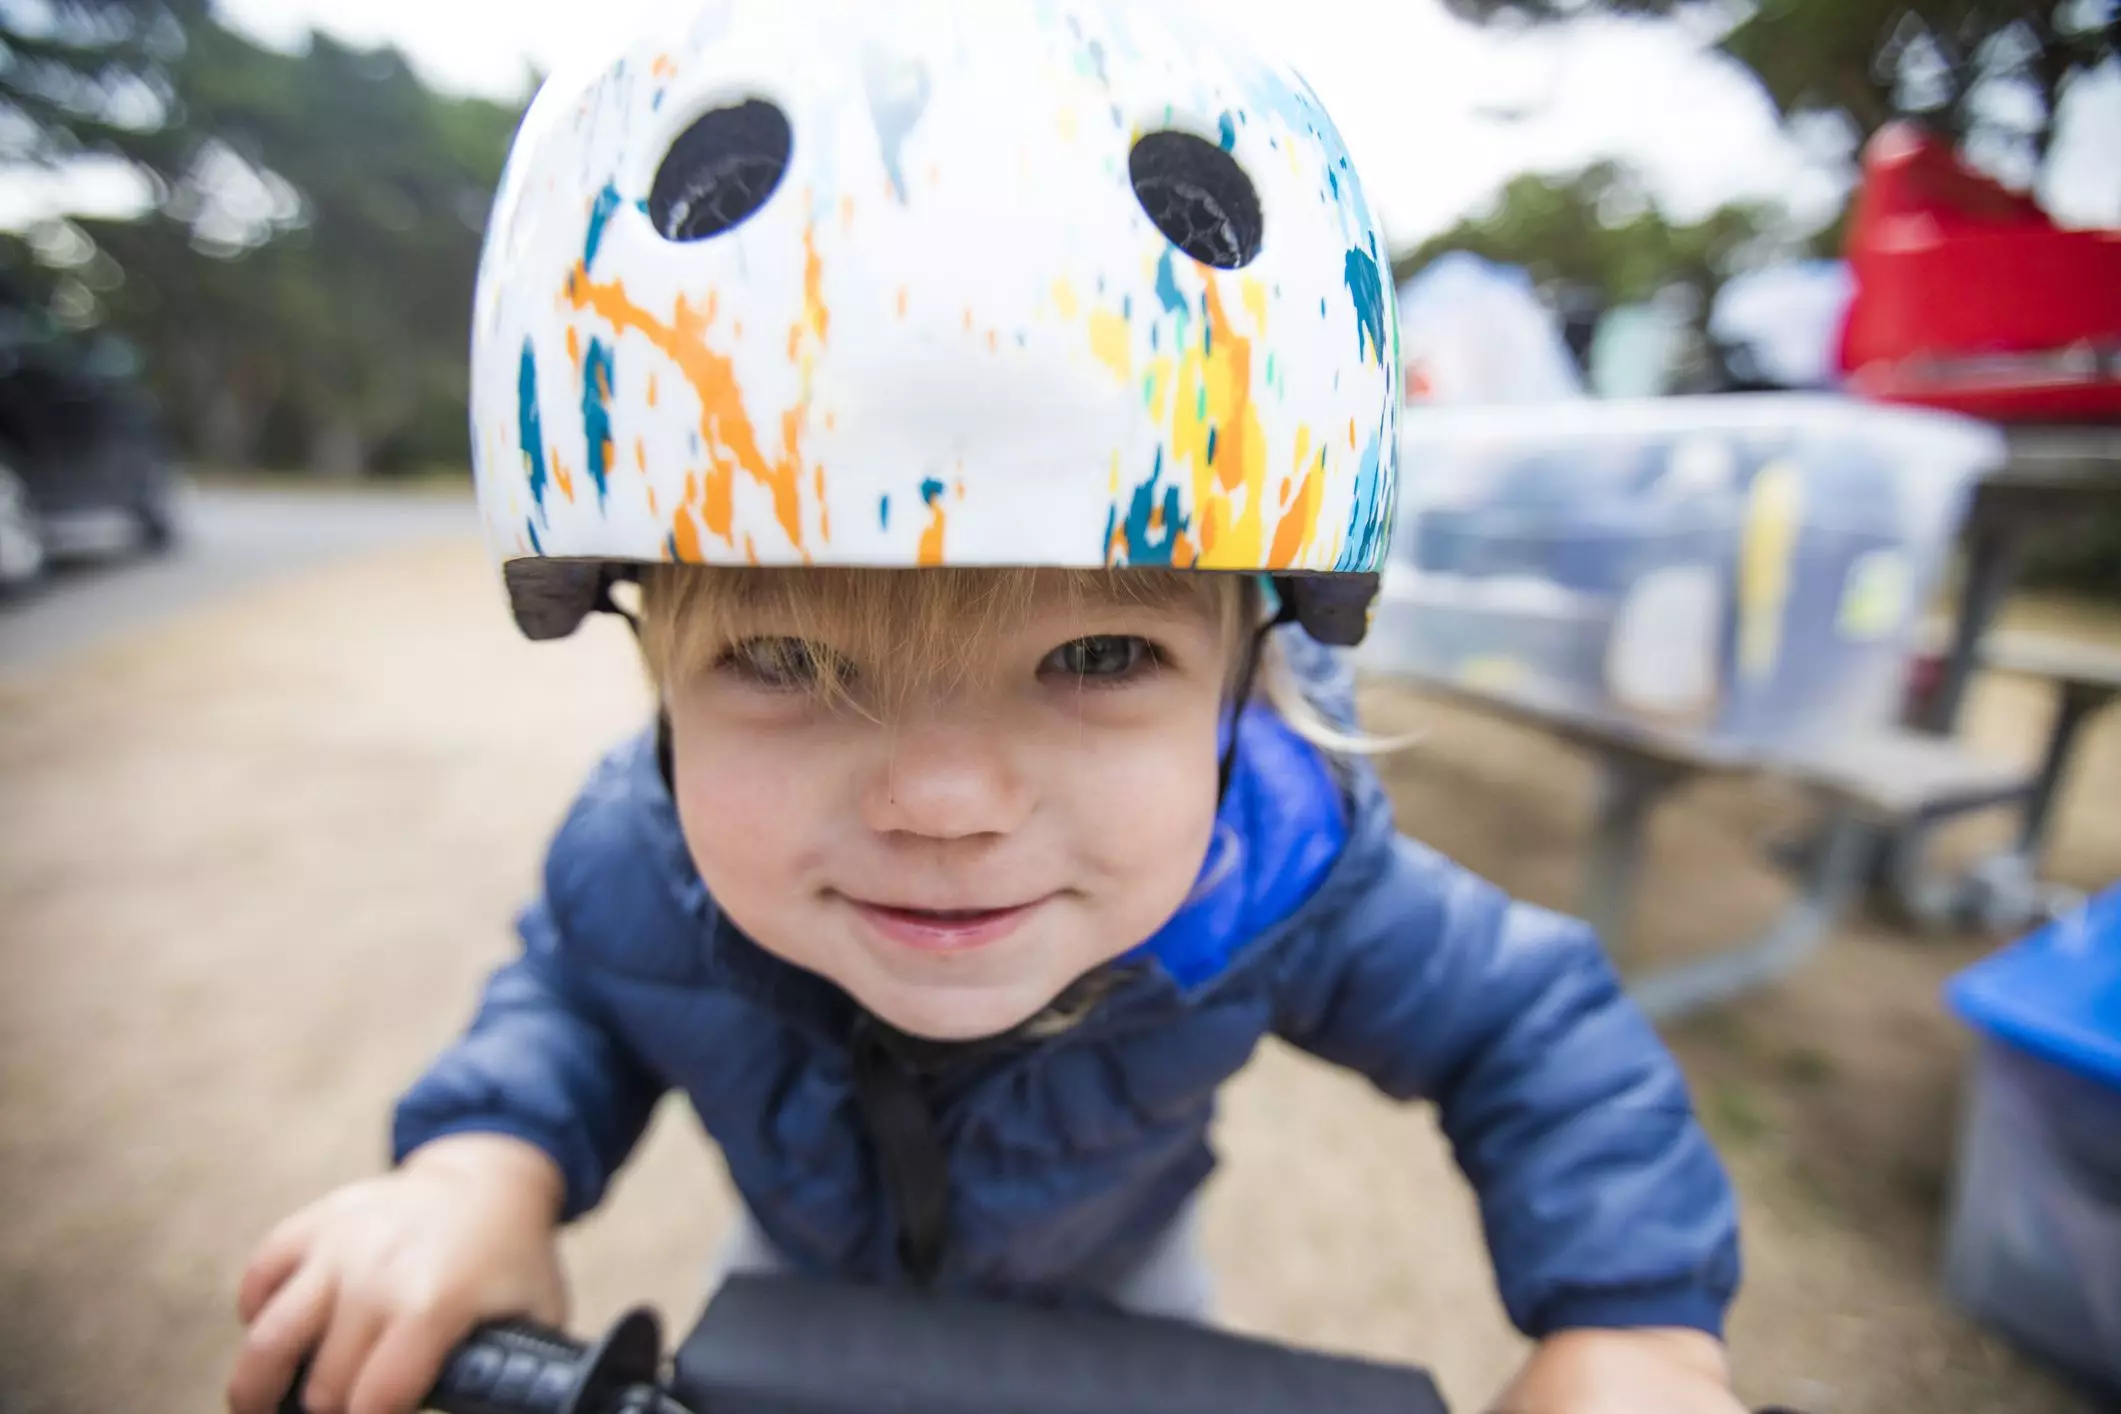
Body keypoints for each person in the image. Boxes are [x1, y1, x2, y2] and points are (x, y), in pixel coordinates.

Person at [227, 3, 1745, 1412]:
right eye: (789, 662)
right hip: (798, 1293)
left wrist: (1631, 1325)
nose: (942, 802)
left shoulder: (1280, 871)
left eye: (1095, 659)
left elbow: (1526, 1025)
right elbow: (571, 990)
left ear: (1243, 676)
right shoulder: (645, 861)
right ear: (653, 672)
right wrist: (481, 1173)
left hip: (1119, 1294)